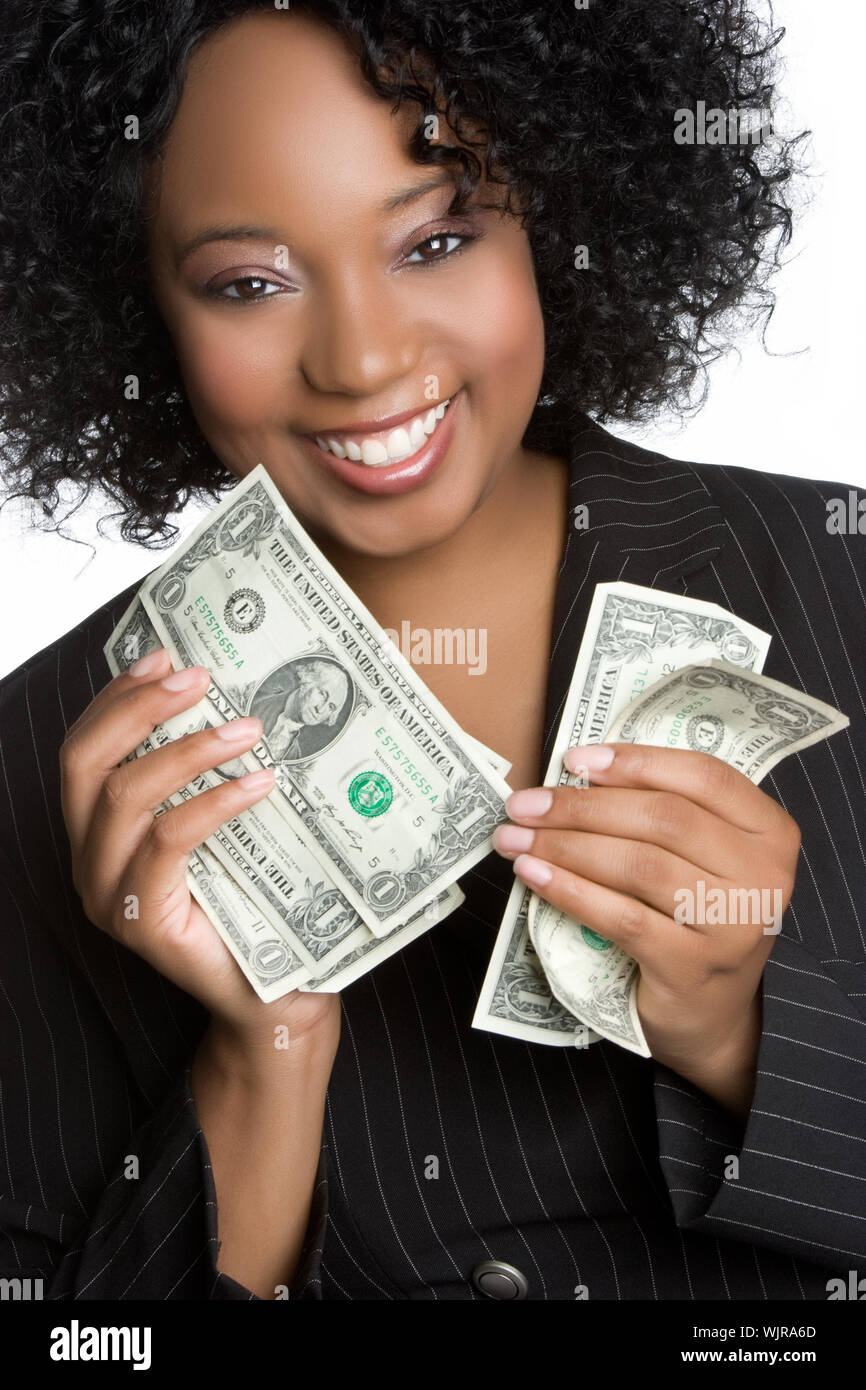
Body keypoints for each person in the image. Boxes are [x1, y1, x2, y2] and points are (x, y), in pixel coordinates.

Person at [0, 0, 863, 1302]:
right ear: (136, 306)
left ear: (557, 219)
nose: (360, 359)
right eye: (248, 281)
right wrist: (262, 1056)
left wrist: (744, 1030)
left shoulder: (840, 576)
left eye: (435, 238)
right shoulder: (33, 758)